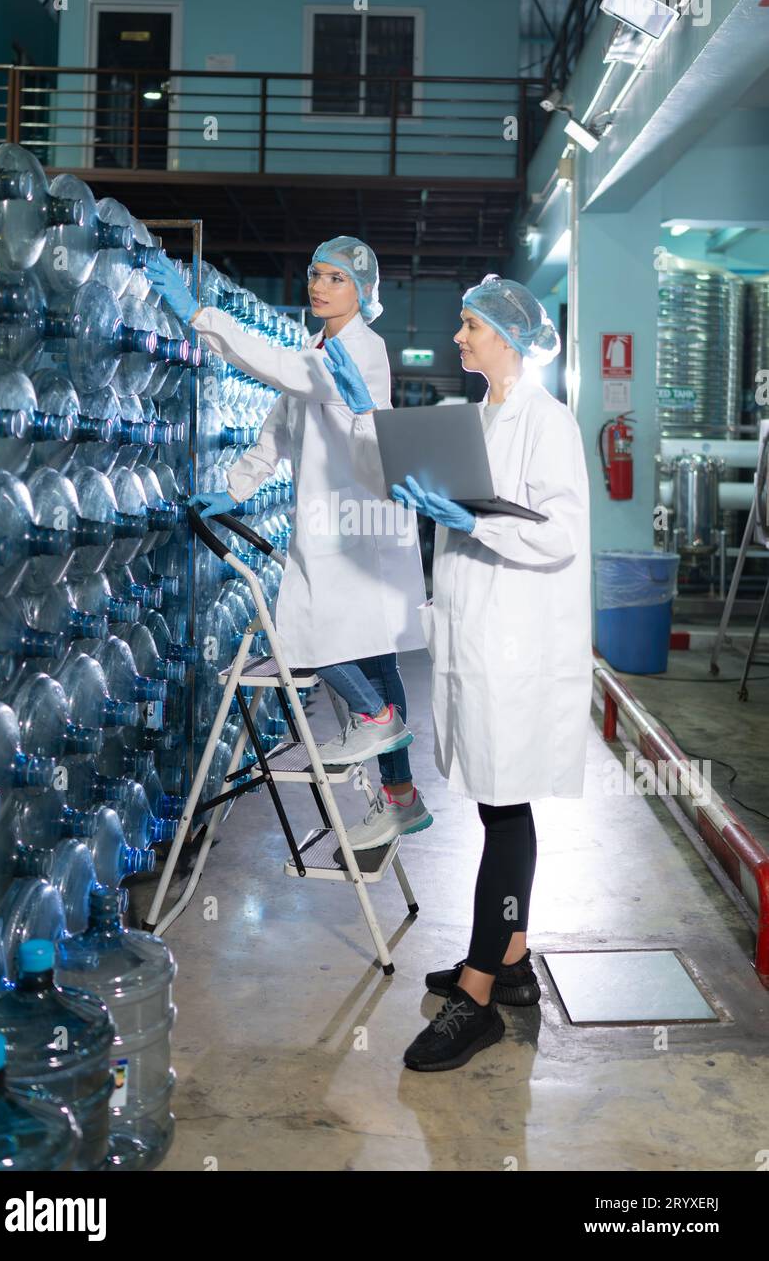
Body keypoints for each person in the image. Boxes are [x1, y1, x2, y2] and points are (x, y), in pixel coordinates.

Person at [326, 275, 592, 1071]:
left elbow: (562, 534)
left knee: (506, 809)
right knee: (495, 802)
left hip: (519, 649)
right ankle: (509, 960)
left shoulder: (548, 424)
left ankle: (475, 998)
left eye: (470, 326)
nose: (458, 338)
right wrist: (360, 414)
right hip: (478, 640)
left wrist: (470, 517)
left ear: (507, 338)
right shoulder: (473, 418)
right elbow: (392, 469)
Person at [146, 237, 433, 849]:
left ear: (362, 291)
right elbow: (279, 426)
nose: (319, 285)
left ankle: (373, 718)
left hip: (355, 523)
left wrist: (200, 316)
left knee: (308, 633)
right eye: (314, 274)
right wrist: (236, 486)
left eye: (334, 278)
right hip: (337, 525)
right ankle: (402, 797)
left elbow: (276, 370)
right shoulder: (320, 346)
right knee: (374, 650)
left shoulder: (362, 350)